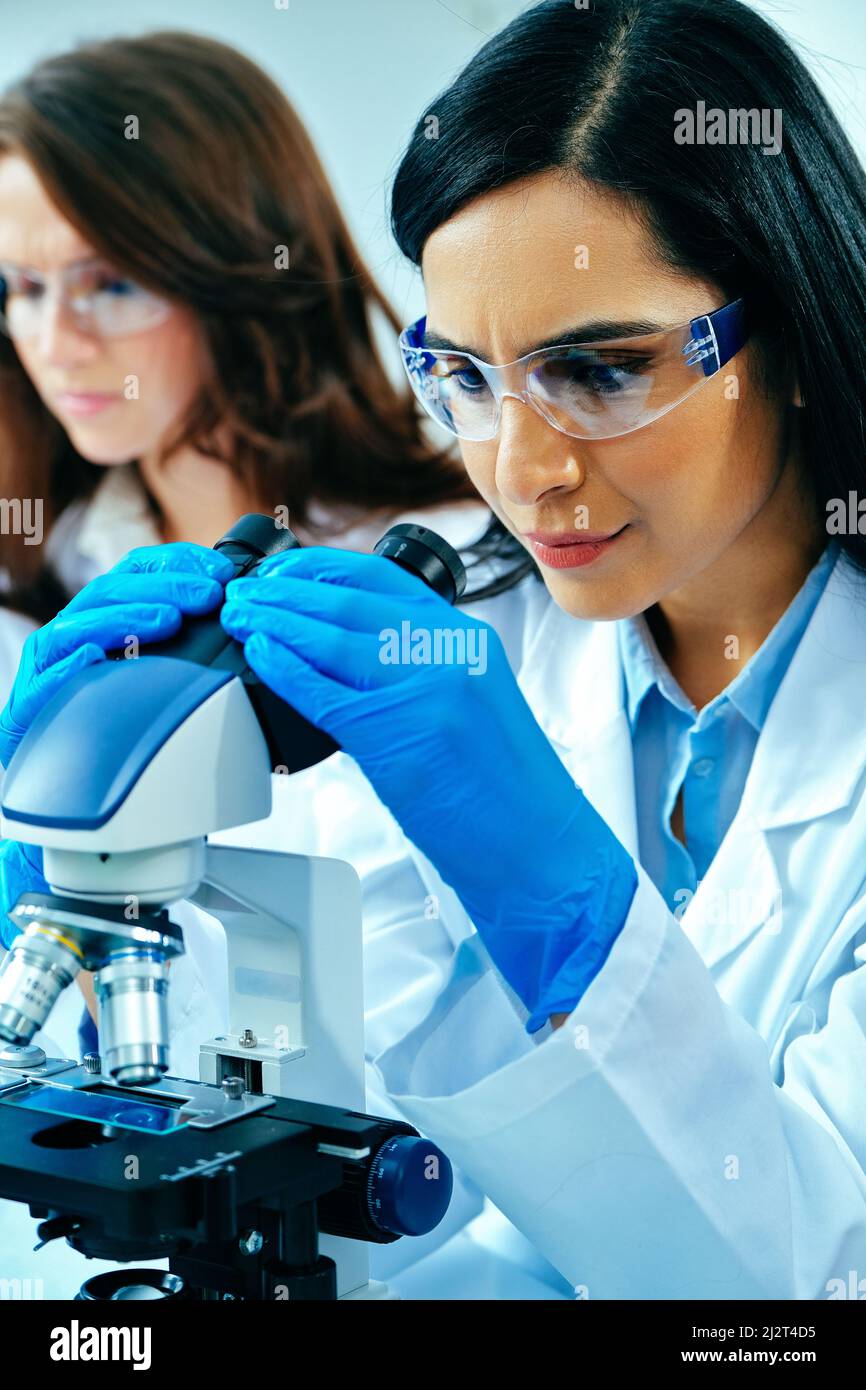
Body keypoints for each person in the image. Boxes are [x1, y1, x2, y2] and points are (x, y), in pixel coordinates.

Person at [5, 0, 866, 1298]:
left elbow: (793, 1279)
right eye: (463, 375)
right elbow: (376, 1176)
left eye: (598, 369)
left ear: (787, 335)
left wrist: (558, 900)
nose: (521, 472)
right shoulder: (456, 653)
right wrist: (75, 839)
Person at [0, 30, 502, 1059]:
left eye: (110, 282)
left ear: (234, 270)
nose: (56, 341)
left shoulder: (454, 577)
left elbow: (441, 1014)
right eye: (22, 287)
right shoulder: (40, 598)